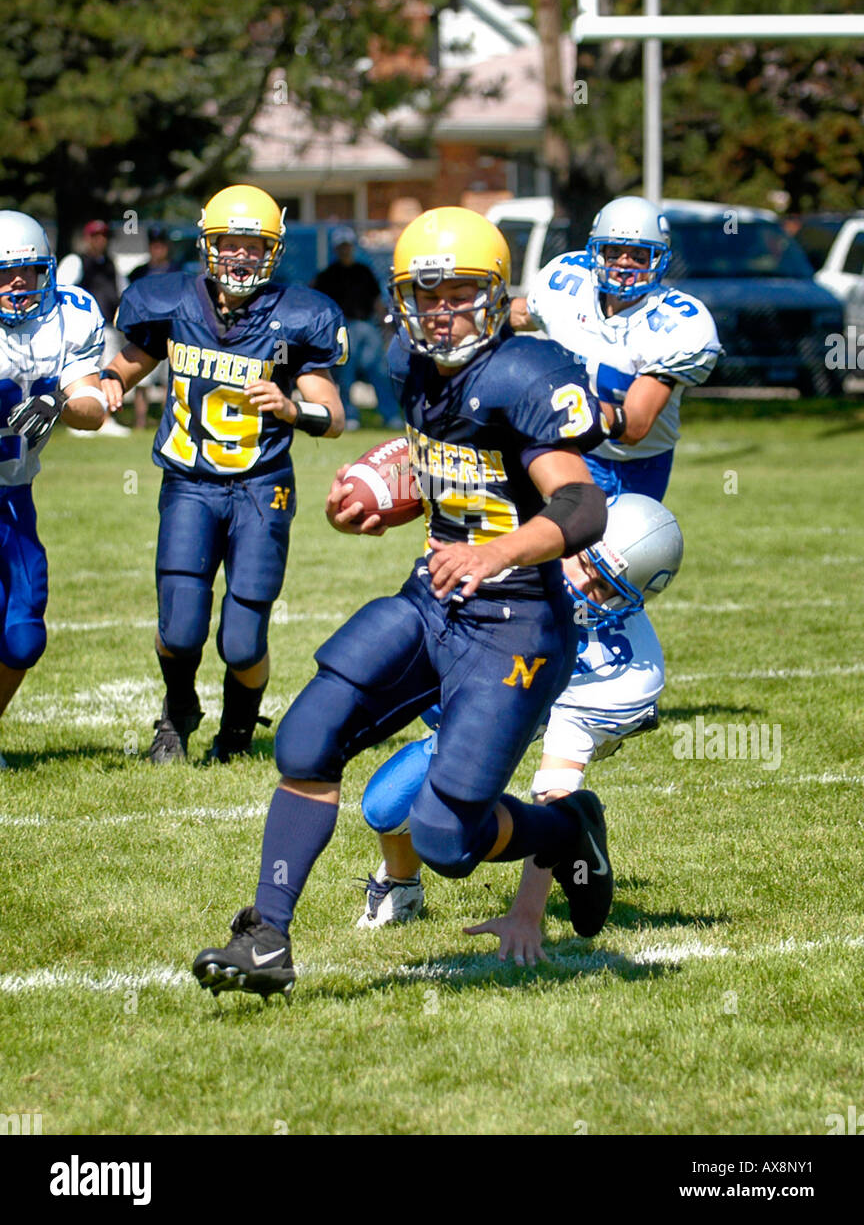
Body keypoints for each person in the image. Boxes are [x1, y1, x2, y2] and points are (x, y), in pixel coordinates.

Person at [192, 205, 615, 1003]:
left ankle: (566, 830)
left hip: (517, 623)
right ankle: (267, 937)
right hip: (432, 600)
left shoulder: (527, 374)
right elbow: (454, 472)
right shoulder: (406, 364)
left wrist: (496, 551)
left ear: (494, 296)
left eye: (461, 292)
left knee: (446, 838)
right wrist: (388, 494)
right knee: (309, 737)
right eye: (428, 295)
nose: (444, 310)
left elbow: (581, 508)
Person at [355, 495, 682, 959]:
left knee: (455, 829)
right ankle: (402, 886)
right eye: (583, 561)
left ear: (632, 601)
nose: (579, 585)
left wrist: (527, 913)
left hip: (555, 695)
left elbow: (553, 799)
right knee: (386, 807)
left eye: (604, 588)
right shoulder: (519, 543)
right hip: (502, 667)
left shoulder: (620, 674)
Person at [99, 184, 347, 765]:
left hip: (262, 486)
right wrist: (107, 382)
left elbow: (333, 416)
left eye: (253, 245)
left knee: (241, 640)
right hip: (189, 482)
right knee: (181, 628)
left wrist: (292, 408)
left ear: (274, 251)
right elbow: (122, 368)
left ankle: (236, 730)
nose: (239, 256)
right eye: (228, 244)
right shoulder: (172, 304)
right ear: (208, 245)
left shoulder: (297, 316)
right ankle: (178, 709)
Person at [510, 197, 721, 501]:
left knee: (624, 548)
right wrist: (479, 315)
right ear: (597, 252)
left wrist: (567, 409)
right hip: (568, 448)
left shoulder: (678, 322)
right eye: (614, 252)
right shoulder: (567, 284)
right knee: (557, 539)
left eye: (639, 255)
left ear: (658, 260)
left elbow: (635, 425)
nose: (624, 264)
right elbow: (522, 314)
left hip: (636, 465)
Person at [0, 211, 109, 765]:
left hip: (14, 495)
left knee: (23, 637)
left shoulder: (69, 316)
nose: (17, 286)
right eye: (4, 275)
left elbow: (92, 406)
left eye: (28, 273)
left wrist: (62, 402)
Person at [313, 224, 403, 431]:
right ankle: (349, 415)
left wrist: (385, 325)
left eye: (348, 245)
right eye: (341, 246)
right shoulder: (328, 274)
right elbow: (320, 304)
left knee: (380, 371)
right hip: (343, 329)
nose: (345, 250)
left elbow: (377, 300)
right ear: (336, 248)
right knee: (346, 374)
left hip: (367, 327)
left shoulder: (364, 271)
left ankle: (390, 415)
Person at [57, 219, 128, 437]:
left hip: (107, 327)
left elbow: (121, 291)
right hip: (80, 332)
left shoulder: (111, 263)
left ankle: (105, 419)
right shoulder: (75, 261)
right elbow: (60, 290)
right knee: (81, 373)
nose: (101, 241)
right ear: (88, 238)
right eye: (96, 236)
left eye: (104, 236)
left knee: (106, 373)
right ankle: (77, 419)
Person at [124, 226, 180, 429]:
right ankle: (140, 422)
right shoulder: (139, 273)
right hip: (145, 333)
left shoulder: (177, 271)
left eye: (161, 245)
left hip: (170, 331)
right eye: (154, 245)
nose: (157, 249)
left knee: (169, 380)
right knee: (142, 382)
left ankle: (168, 421)